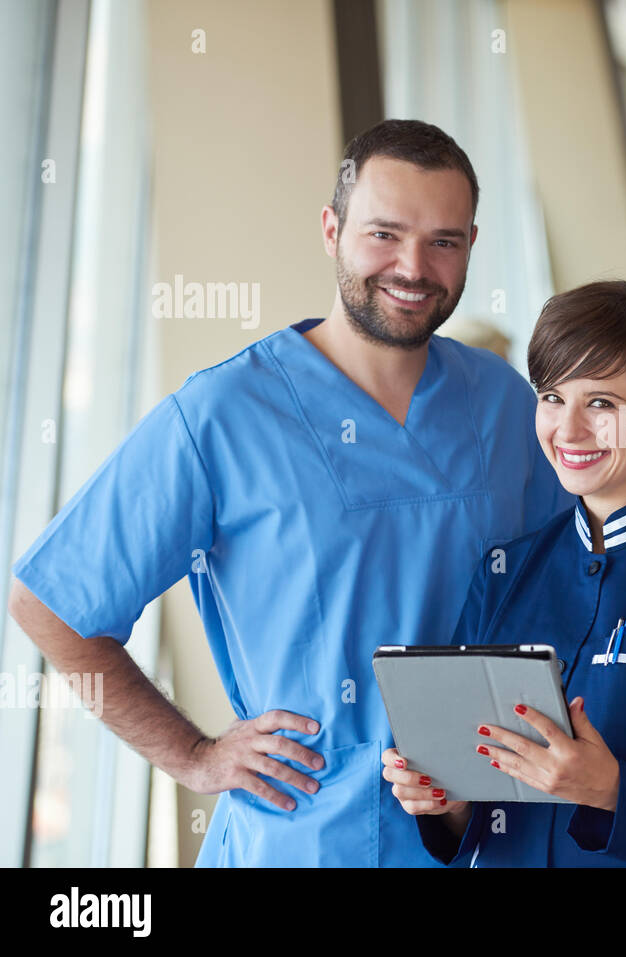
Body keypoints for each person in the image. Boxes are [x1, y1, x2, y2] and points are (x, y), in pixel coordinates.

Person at [7, 119, 571, 866]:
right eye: (384, 234)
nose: (413, 266)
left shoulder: (501, 401)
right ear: (332, 229)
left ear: (472, 243)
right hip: (301, 837)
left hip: (481, 827)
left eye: (443, 240)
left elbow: (566, 587)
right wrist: (195, 755)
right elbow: (50, 605)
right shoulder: (222, 414)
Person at [380, 280, 626, 867]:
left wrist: (610, 788)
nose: (567, 430)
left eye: (601, 403)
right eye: (551, 396)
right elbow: (475, 781)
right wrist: (440, 796)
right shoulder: (505, 568)